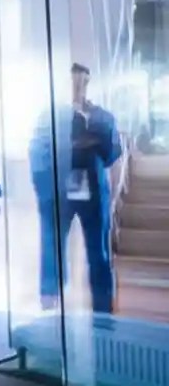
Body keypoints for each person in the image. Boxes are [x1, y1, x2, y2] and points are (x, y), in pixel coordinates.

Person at [30, 62, 121, 312]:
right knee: (52, 241)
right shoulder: (49, 116)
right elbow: (38, 151)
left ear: (89, 82)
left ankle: (103, 304)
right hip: (59, 190)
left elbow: (113, 151)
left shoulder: (102, 116)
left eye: (82, 80)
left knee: (98, 247)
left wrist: (90, 141)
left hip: (93, 187)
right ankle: (49, 295)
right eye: (73, 80)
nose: (77, 85)